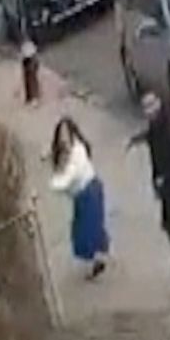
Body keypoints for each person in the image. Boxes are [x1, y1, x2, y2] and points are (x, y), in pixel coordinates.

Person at [127, 92, 170, 273]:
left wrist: (164, 178)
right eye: (145, 107)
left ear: (159, 103)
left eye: (151, 105)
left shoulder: (168, 127)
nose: (148, 110)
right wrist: (138, 139)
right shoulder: (156, 125)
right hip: (167, 184)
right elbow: (151, 136)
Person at [49, 116, 110, 279]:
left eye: (66, 135)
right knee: (84, 229)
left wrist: (54, 184)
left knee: (87, 230)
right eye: (61, 135)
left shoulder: (78, 151)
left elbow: (69, 176)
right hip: (81, 196)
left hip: (90, 192)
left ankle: (96, 261)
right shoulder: (64, 154)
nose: (64, 139)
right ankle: (99, 256)